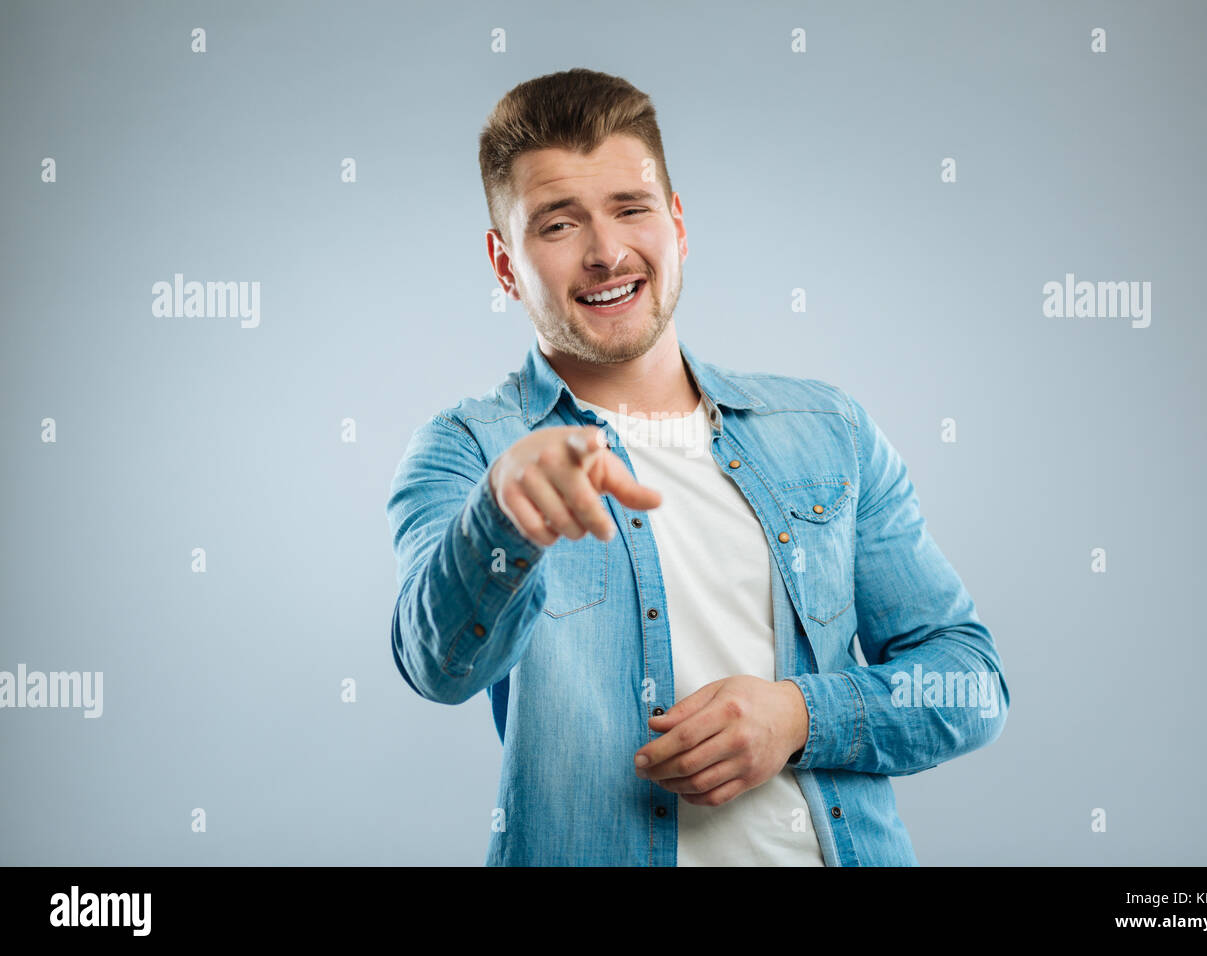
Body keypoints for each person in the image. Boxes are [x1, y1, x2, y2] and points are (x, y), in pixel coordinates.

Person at [386, 67, 1010, 866]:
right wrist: (499, 519)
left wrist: (798, 718)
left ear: (676, 224)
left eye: (630, 209)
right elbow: (438, 666)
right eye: (557, 225)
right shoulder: (467, 453)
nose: (607, 253)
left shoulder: (828, 431)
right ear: (504, 262)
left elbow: (969, 683)